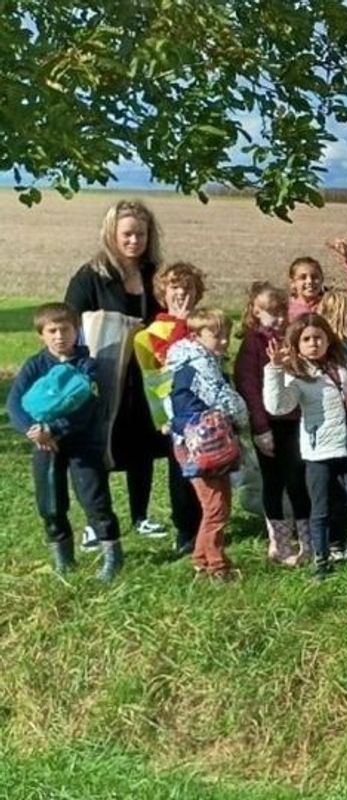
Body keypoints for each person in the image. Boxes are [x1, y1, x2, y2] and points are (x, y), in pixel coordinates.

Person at [64, 199, 169, 544]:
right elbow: (70, 322)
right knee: (100, 445)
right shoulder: (90, 276)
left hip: (144, 372)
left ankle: (141, 515)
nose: (134, 241)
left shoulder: (155, 274)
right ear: (111, 234)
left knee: (143, 444)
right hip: (103, 374)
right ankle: (97, 520)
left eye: (140, 234)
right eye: (127, 234)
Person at [6, 303, 119, 578]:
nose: (59, 336)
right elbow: (14, 404)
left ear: (76, 331)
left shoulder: (87, 365)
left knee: (95, 500)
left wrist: (52, 429)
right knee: (51, 505)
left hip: (82, 444)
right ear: (41, 335)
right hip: (44, 446)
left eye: (65, 329)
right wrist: (33, 430)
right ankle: (63, 562)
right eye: (52, 331)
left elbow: (85, 408)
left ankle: (113, 560)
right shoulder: (35, 365)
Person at [263, 314, 347, 581]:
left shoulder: (341, 367)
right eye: (306, 339)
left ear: (328, 339)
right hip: (319, 452)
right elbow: (278, 406)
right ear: (297, 344)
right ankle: (320, 559)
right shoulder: (299, 375)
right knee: (321, 507)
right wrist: (274, 370)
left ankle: (345, 546)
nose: (313, 343)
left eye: (318, 337)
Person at [165, 308, 249, 581]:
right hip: (201, 446)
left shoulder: (204, 363)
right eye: (216, 335)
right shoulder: (196, 368)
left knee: (218, 504)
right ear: (195, 335)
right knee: (216, 507)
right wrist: (237, 418)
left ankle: (201, 560)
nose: (224, 341)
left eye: (226, 334)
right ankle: (216, 566)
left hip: (207, 443)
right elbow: (211, 402)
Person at [234, 282, 310, 566]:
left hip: (295, 421)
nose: (277, 319)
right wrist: (260, 427)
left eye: (281, 312)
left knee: (298, 480)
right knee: (274, 482)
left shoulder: (291, 338)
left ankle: (306, 540)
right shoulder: (253, 344)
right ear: (255, 312)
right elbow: (249, 387)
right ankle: (279, 543)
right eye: (270, 313)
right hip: (268, 424)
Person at [133, 261, 206, 556]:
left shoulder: (205, 324)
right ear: (163, 292)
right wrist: (162, 419)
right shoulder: (149, 334)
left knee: (211, 467)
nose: (181, 293)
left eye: (188, 287)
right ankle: (185, 529)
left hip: (207, 412)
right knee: (182, 473)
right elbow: (153, 380)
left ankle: (210, 523)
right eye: (175, 287)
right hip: (176, 414)